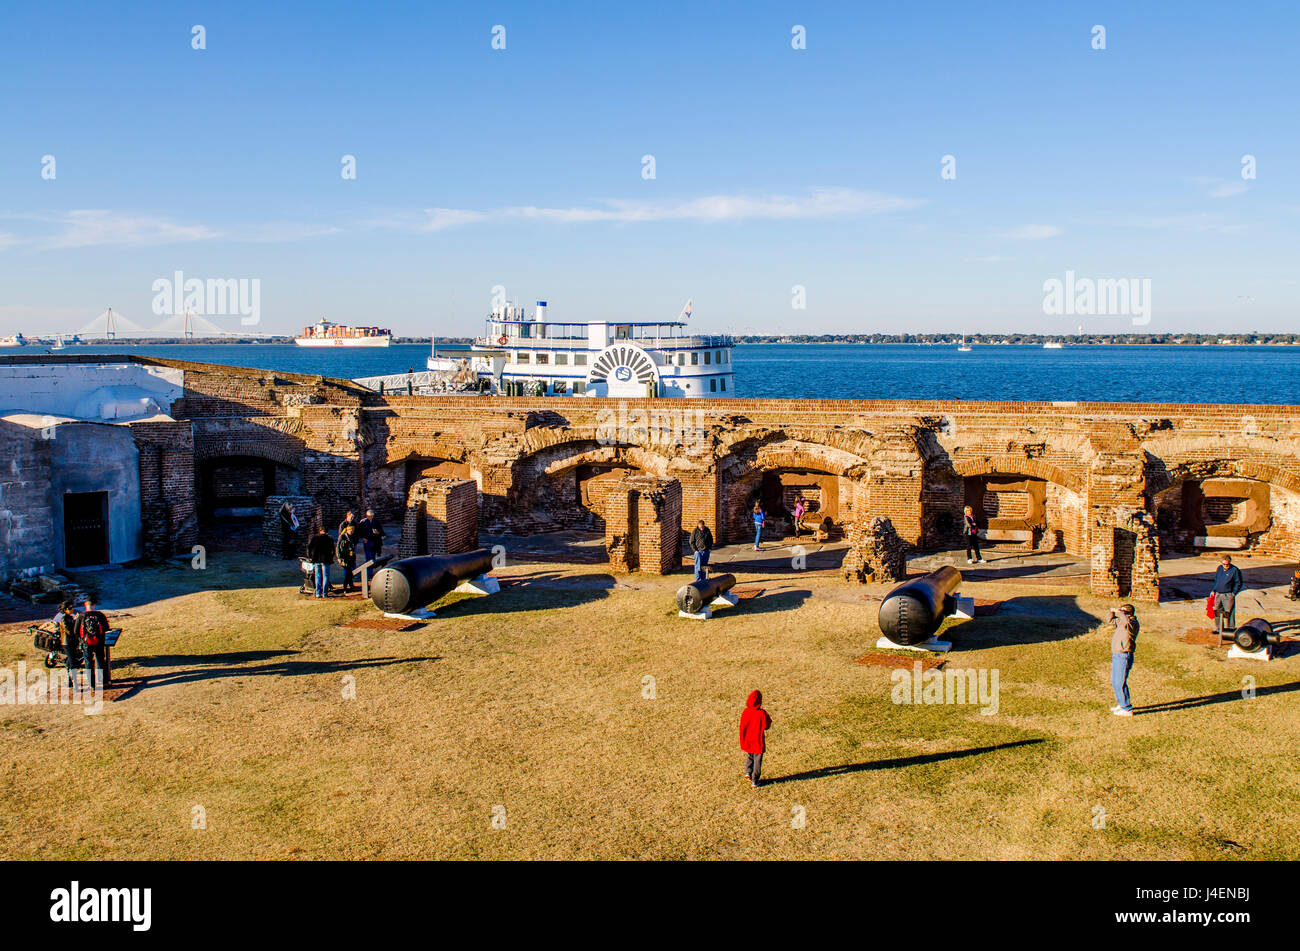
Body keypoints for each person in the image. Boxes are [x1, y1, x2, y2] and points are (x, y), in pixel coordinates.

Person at [1106, 604, 1139, 716]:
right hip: (1117, 654)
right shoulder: (1122, 622)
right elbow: (1110, 620)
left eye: (1123, 611)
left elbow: (1125, 621)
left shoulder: (1132, 624)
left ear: (1128, 613)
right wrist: (1111, 611)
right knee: (1115, 682)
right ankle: (1121, 703)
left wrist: (1120, 611)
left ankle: (1127, 708)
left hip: (1124, 656)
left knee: (1120, 682)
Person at [739, 690, 773, 788]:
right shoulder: (761, 713)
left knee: (750, 755)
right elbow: (767, 725)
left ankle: (748, 772)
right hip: (757, 740)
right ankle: (755, 780)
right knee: (757, 761)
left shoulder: (745, 712)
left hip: (748, 739)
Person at [76, 599, 111, 691]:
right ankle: (104, 681)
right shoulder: (100, 615)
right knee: (100, 660)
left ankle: (92, 685)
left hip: (86, 642)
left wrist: (82, 640)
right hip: (99, 642)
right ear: (94, 605)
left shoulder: (81, 616)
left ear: (85, 605)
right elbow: (106, 628)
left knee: (88, 662)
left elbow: (76, 631)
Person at [1212, 554, 1245, 638]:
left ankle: (1231, 629)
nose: (1226, 566)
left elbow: (1238, 582)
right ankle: (1219, 628)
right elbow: (1217, 580)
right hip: (1218, 593)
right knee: (1216, 611)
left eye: (1227, 564)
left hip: (1228, 594)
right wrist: (1213, 590)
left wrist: (1233, 593)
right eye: (1224, 564)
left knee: (1229, 612)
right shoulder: (1219, 568)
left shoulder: (1234, 570)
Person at [56, 600, 81, 689]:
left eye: (72, 608)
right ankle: (74, 684)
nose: (72, 610)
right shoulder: (64, 619)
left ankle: (70, 681)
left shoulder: (70, 618)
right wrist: (76, 621)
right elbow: (70, 631)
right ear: (65, 610)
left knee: (71, 662)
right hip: (67, 643)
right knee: (73, 662)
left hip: (72, 643)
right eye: (69, 608)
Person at [306, 525, 335, 598]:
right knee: (326, 576)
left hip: (316, 559)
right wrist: (331, 557)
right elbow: (333, 550)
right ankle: (325, 593)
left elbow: (309, 548)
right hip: (326, 560)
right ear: (327, 532)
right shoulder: (329, 539)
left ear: (320, 531)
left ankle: (318, 593)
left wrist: (310, 556)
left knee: (318, 576)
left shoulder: (315, 538)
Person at [358, 509, 385, 581]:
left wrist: (378, 533)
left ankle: (371, 573)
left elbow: (382, 531)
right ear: (367, 516)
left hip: (375, 541)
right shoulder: (363, 522)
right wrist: (363, 538)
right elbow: (360, 532)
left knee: (373, 558)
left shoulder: (376, 521)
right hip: (367, 542)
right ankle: (369, 574)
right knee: (368, 558)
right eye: (369, 516)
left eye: (372, 516)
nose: (371, 517)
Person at [336, 521, 358, 594]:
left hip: (351, 557)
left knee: (350, 573)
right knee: (348, 572)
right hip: (344, 557)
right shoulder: (342, 537)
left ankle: (350, 586)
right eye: (350, 529)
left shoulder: (353, 537)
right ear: (347, 529)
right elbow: (338, 547)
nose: (351, 531)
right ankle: (346, 587)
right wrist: (339, 557)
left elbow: (353, 547)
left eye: (352, 530)